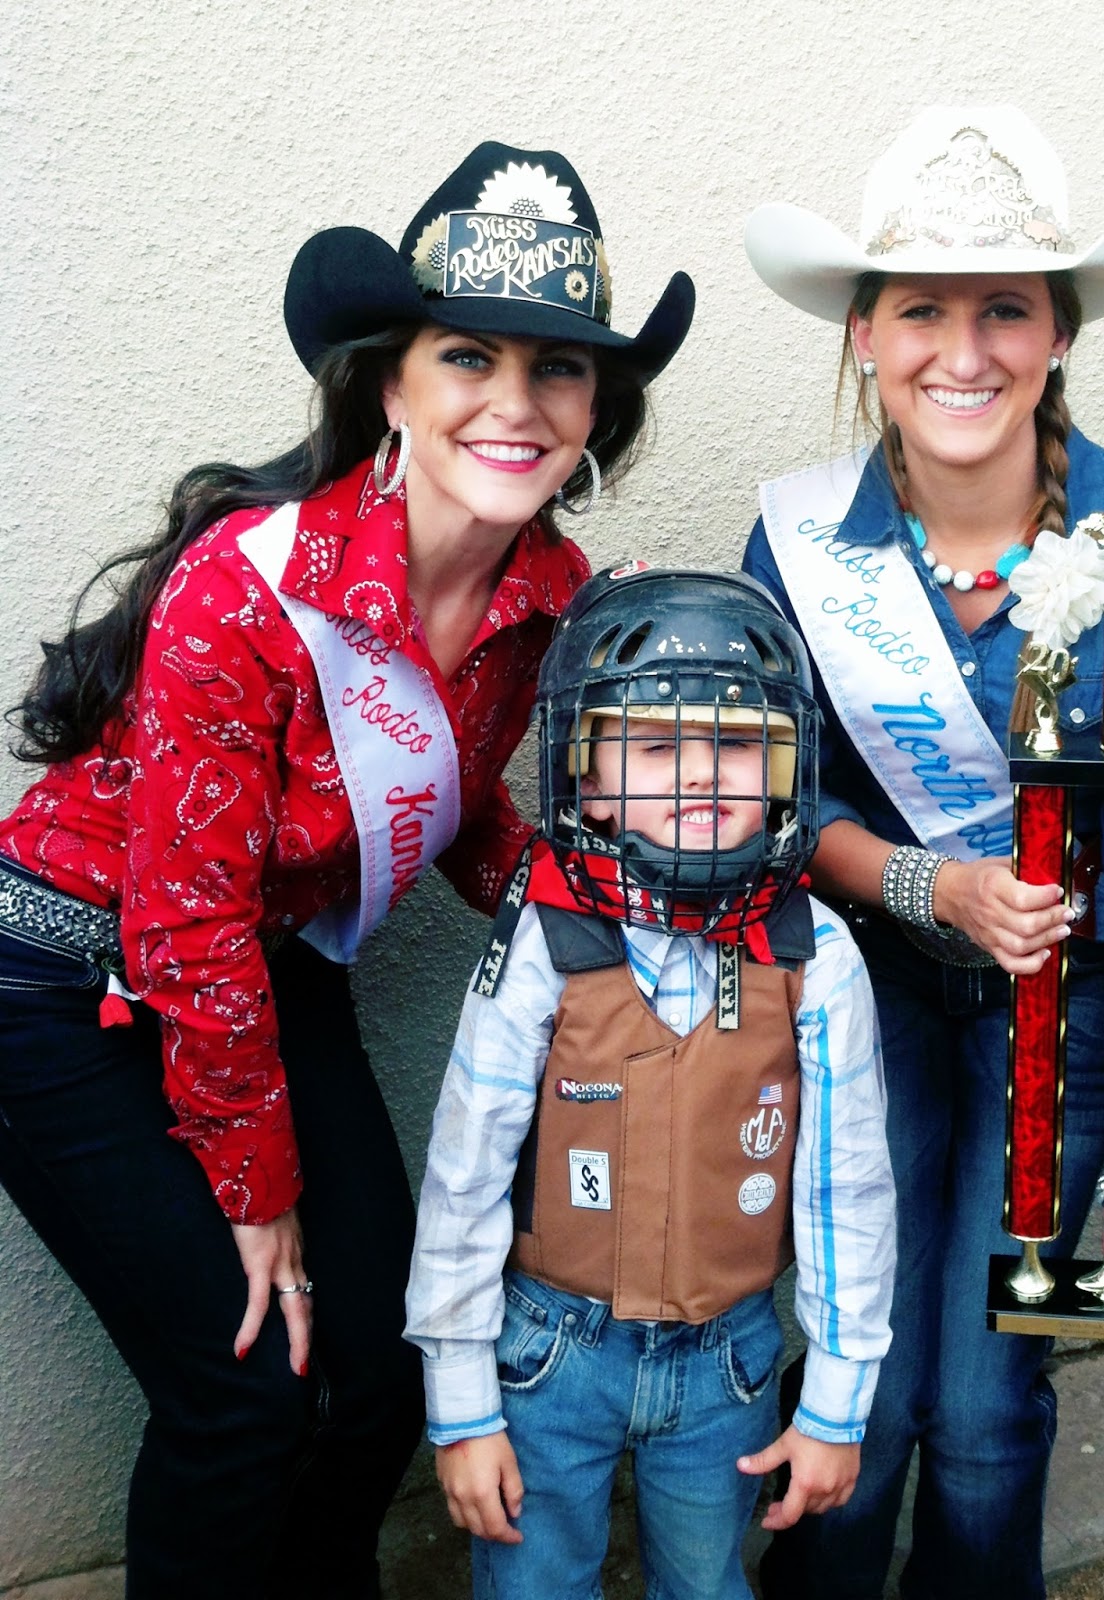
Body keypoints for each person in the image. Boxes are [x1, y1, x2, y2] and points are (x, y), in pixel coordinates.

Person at [0, 143, 693, 1600]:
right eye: (467, 356)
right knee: (246, 1392)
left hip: (253, 983)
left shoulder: (547, 595)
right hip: (62, 982)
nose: (514, 402)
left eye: (558, 370)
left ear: (593, 413)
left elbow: (465, 813)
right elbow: (180, 919)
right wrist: (261, 1197)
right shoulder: (245, 585)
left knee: (384, 1370)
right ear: (391, 384)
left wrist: (629, 943)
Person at [740, 106, 1104, 1599]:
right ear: (863, 334)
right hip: (870, 1003)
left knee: (977, 1410)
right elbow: (777, 808)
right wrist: (927, 884)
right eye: (920, 311)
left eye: (1004, 309)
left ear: (1058, 337)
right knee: (863, 1388)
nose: (961, 352)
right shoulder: (799, 542)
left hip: (1072, 1018)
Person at [404, 564, 896, 1599]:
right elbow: (465, 1171)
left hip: (727, 1362)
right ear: (581, 773)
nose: (698, 777)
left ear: (784, 764)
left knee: (708, 1586)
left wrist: (834, 1404)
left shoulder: (816, 954)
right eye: (658, 746)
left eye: (731, 743)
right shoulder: (543, 934)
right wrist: (460, 1406)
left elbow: (844, 1193)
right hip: (545, 1354)